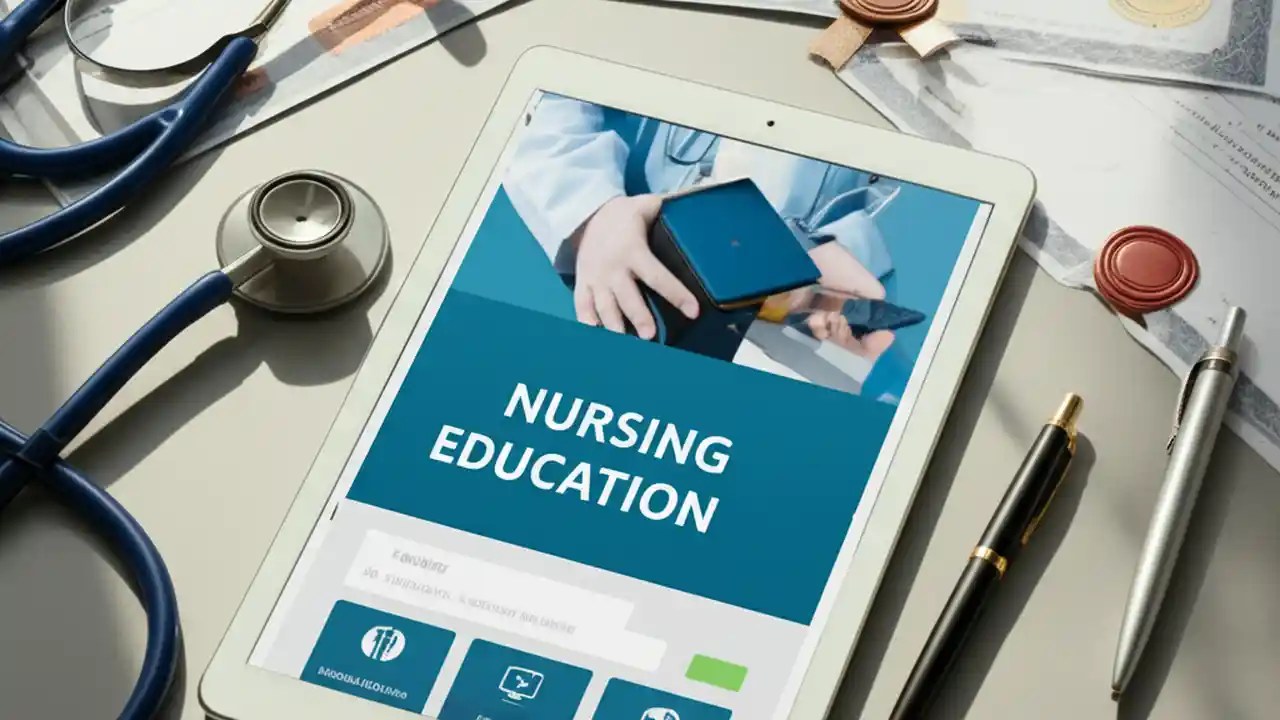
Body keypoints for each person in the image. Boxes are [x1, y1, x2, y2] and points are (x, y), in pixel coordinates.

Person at [503, 93, 900, 346]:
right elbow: (550, 89)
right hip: (626, 274)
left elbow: (878, 191)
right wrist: (590, 213)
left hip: (770, 321)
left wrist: (825, 260)